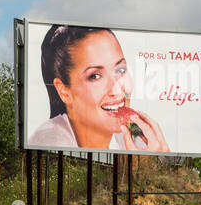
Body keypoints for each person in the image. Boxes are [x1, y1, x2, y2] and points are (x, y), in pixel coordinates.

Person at [29, 25, 169, 151]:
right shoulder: (50, 141)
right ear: (64, 90)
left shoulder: (132, 133)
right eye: (95, 76)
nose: (117, 91)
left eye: (120, 70)